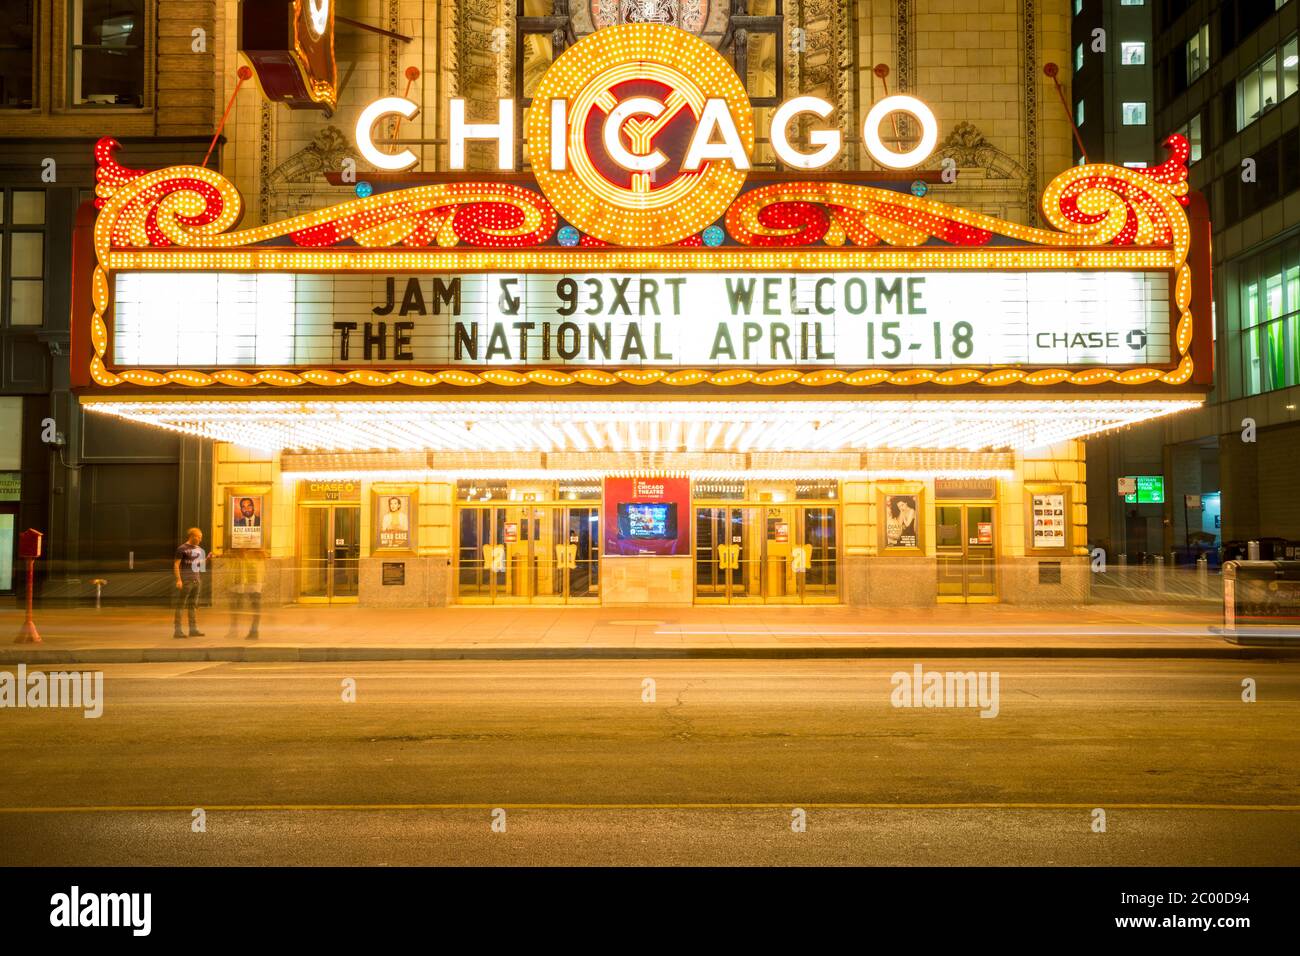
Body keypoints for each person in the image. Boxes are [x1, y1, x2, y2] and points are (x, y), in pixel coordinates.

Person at [173, 527, 206, 639]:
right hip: (186, 581)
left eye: (201, 537)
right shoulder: (182, 548)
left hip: (197, 580)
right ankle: (177, 631)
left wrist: (207, 559)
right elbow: (176, 565)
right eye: (198, 537)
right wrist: (179, 580)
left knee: (193, 606)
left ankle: (193, 630)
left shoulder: (200, 550)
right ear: (192, 536)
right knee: (181, 606)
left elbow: (200, 566)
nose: (200, 540)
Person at [226, 549, 266, 641]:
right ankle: (250, 631)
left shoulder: (253, 557)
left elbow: (250, 570)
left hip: (253, 584)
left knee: (254, 609)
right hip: (251, 584)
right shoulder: (255, 556)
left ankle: (253, 631)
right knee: (252, 609)